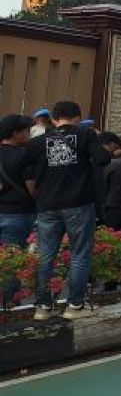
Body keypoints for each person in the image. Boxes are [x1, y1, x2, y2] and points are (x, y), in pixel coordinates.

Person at [24, 100, 111, 319]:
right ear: (77, 118)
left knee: (45, 255)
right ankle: (75, 306)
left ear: (54, 119)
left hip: (47, 204)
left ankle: (43, 307)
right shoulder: (85, 135)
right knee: (79, 253)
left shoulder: (39, 141)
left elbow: (24, 167)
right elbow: (103, 158)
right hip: (78, 203)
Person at [0, 114, 36, 308]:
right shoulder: (25, 155)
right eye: (26, 132)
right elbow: (32, 188)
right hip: (18, 213)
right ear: (16, 133)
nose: (29, 136)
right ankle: (9, 306)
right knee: (11, 263)